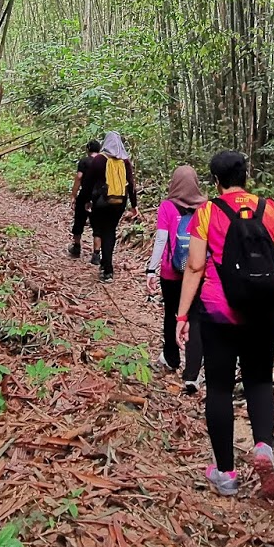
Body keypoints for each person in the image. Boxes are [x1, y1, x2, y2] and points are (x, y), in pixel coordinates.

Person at [175, 150, 274, 500]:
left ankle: (225, 474)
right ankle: (263, 448)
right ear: (246, 175)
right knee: (259, 380)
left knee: (221, 389)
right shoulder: (270, 210)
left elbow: (194, 267)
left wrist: (182, 316)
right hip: (263, 311)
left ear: (215, 181)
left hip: (218, 312)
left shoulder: (207, 213)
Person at [146, 165, 206, 393]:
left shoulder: (167, 206)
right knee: (195, 318)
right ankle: (192, 375)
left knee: (172, 314)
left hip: (171, 273)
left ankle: (171, 357)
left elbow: (161, 240)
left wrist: (151, 270)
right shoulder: (206, 207)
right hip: (198, 271)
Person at [91, 130, 137, 282]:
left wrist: (85, 200)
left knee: (101, 230)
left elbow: (88, 183)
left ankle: (105, 264)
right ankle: (107, 268)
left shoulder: (98, 160)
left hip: (100, 202)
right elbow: (130, 184)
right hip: (119, 202)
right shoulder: (125, 161)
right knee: (110, 230)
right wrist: (133, 205)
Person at [68, 139, 104, 262]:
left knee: (79, 219)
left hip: (85, 195)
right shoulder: (104, 161)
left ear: (88, 149)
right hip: (99, 197)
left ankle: (77, 247)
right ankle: (96, 254)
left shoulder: (84, 161)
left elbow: (79, 177)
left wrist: (73, 195)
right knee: (98, 224)